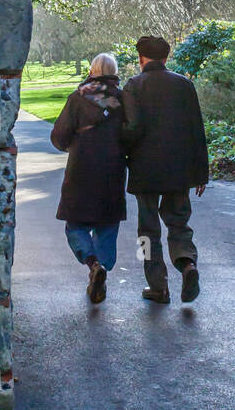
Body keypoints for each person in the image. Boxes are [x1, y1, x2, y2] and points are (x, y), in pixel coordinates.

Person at [121, 34, 209, 305]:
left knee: (147, 231)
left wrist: (123, 151)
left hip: (145, 170)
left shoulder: (134, 86)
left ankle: (157, 286)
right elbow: (197, 130)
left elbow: (132, 128)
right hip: (179, 170)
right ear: (166, 57)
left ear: (141, 58)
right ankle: (187, 265)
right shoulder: (184, 85)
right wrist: (200, 173)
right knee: (179, 222)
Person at [50, 53, 127, 305]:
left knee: (75, 224)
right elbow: (133, 131)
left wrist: (74, 143)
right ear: (114, 72)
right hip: (113, 169)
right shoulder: (123, 98)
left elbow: (59, 136)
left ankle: (93, 264)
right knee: (107, 224)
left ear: (92, 71)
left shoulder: (78, 97)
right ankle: (102, 265)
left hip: (81, 169)